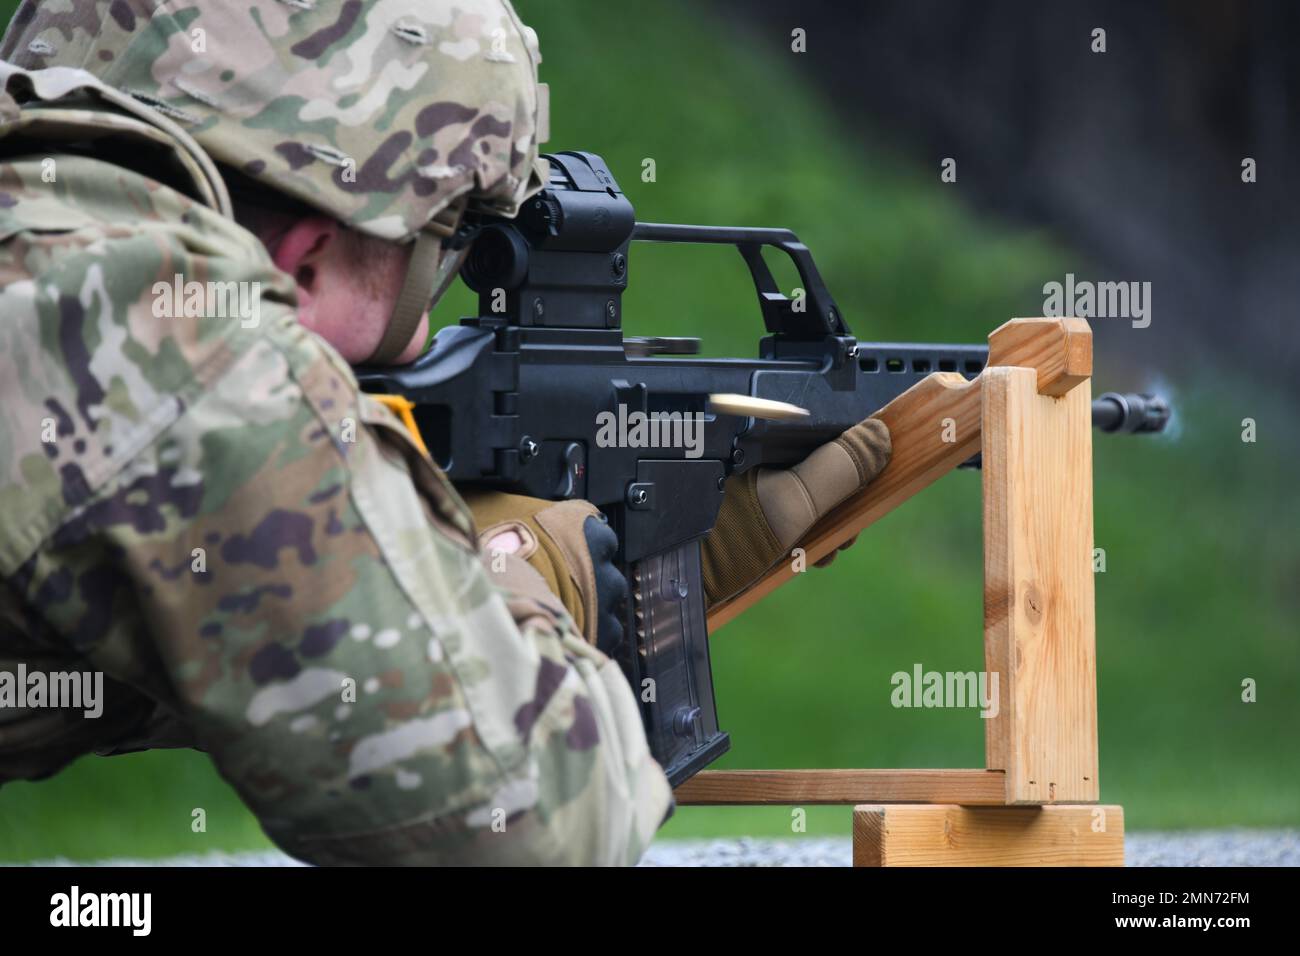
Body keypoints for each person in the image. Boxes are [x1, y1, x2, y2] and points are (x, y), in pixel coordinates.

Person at [0, 0, 889, 865]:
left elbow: (187, 657)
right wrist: (517, 581)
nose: (424, 334)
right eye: (445, 253)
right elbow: (531, 824)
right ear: (306, 259)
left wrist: (432, 575)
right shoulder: (158, 328)